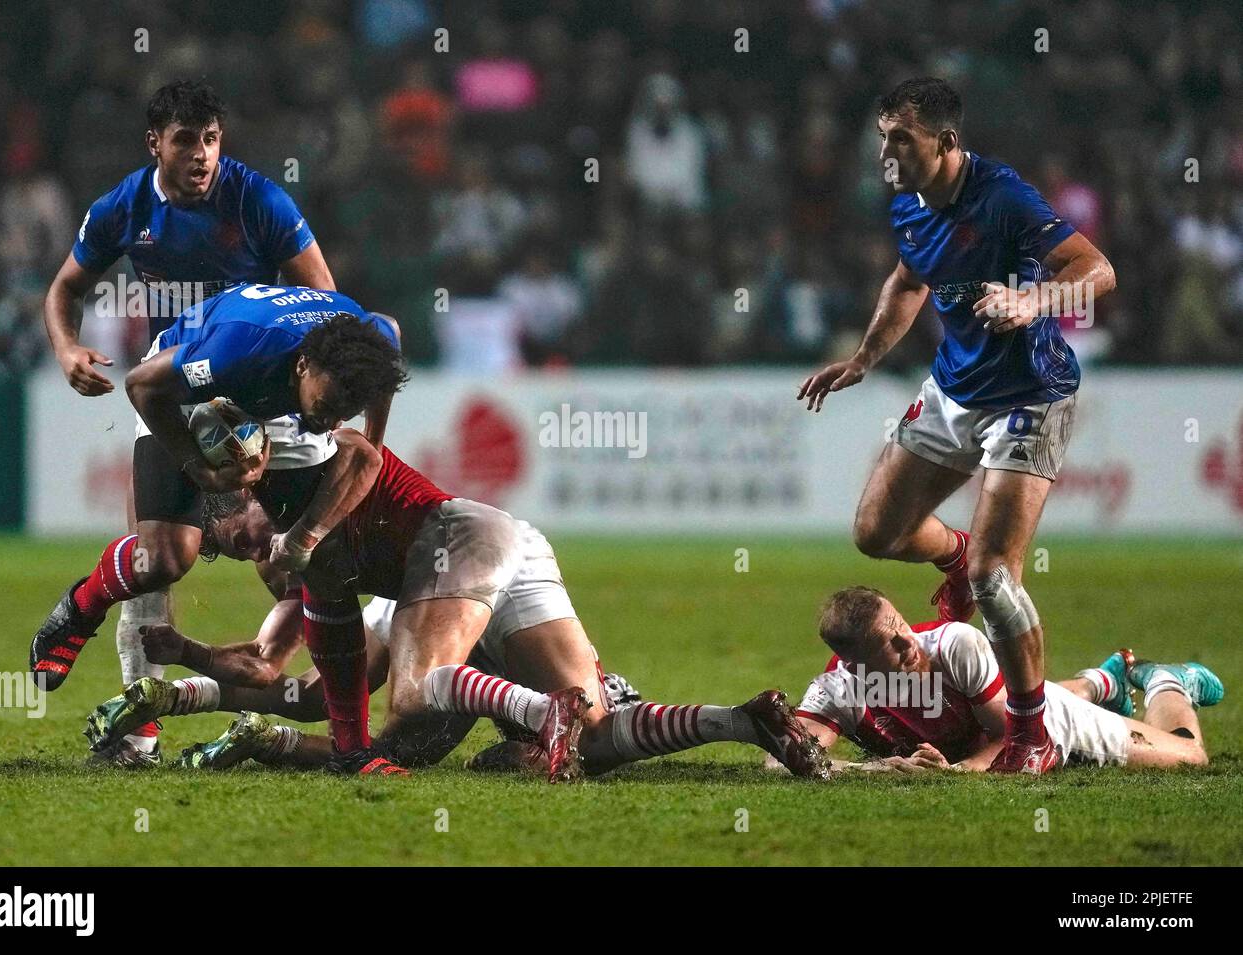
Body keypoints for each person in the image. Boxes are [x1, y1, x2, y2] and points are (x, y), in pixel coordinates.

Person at [83, 434, 830, 781]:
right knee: (592, 739)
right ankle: (740, 720)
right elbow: (274, 668)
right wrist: (170, 676)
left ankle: (542, 717)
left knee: (407, 695)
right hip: (500, 561)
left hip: (456, 553)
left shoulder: (302, 490)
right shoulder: (311, 564)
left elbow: (361, 453)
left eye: (233, 541)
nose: (245, 557)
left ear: (244, 494)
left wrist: (304, 533)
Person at [796, 78, 1117, 772]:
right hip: (953, 388)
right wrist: (863, 358)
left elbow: (1097, 269)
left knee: (998, 578)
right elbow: (910, 281)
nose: (886, 151)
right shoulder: (909, 204)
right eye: (882, 137)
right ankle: (954, 558)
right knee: (875, 533)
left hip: (1029, 395)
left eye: (899, 139)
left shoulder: (1002, 196)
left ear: (945, 143)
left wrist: (1037, 300)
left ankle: (1032, 740)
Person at [40, 80, 338, 764]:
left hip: (265, 390)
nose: (201, 154)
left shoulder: (259, 199)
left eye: (210, 139)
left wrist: (293, 394)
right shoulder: (124, 207)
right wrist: (66, 347)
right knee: (158, 560)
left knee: (298, 564)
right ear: (156, 145)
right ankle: (136, 728)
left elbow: (324, 300)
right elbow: (65, 289)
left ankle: (334, 707)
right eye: (185, 141)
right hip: (174, 383)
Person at [30, 287, 406, 765]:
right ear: (304, 365)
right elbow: (142, 384)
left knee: (325, 564)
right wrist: (195, 467)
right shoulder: (236, 352)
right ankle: (81, 609)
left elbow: (388, 330)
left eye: (343, 411)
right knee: (164, 560)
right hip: (187, 395)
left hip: (284, 410)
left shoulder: (357, 354)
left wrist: (373, 439)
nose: (332, 420)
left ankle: (354, 749)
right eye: (330, 403)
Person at [788, 586, 1221, 774]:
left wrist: (955, 774)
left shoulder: (954, 644)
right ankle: (1099, 683)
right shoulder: (837, 688)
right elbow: (786, 758)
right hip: (1002, 700)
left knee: (1189, 757)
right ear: (855, 664)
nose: (909, 641)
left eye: (901, 623)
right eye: (890, 643)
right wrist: (875, 772)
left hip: (1046, 724)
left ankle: (1168, 681)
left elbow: (1014, 736)